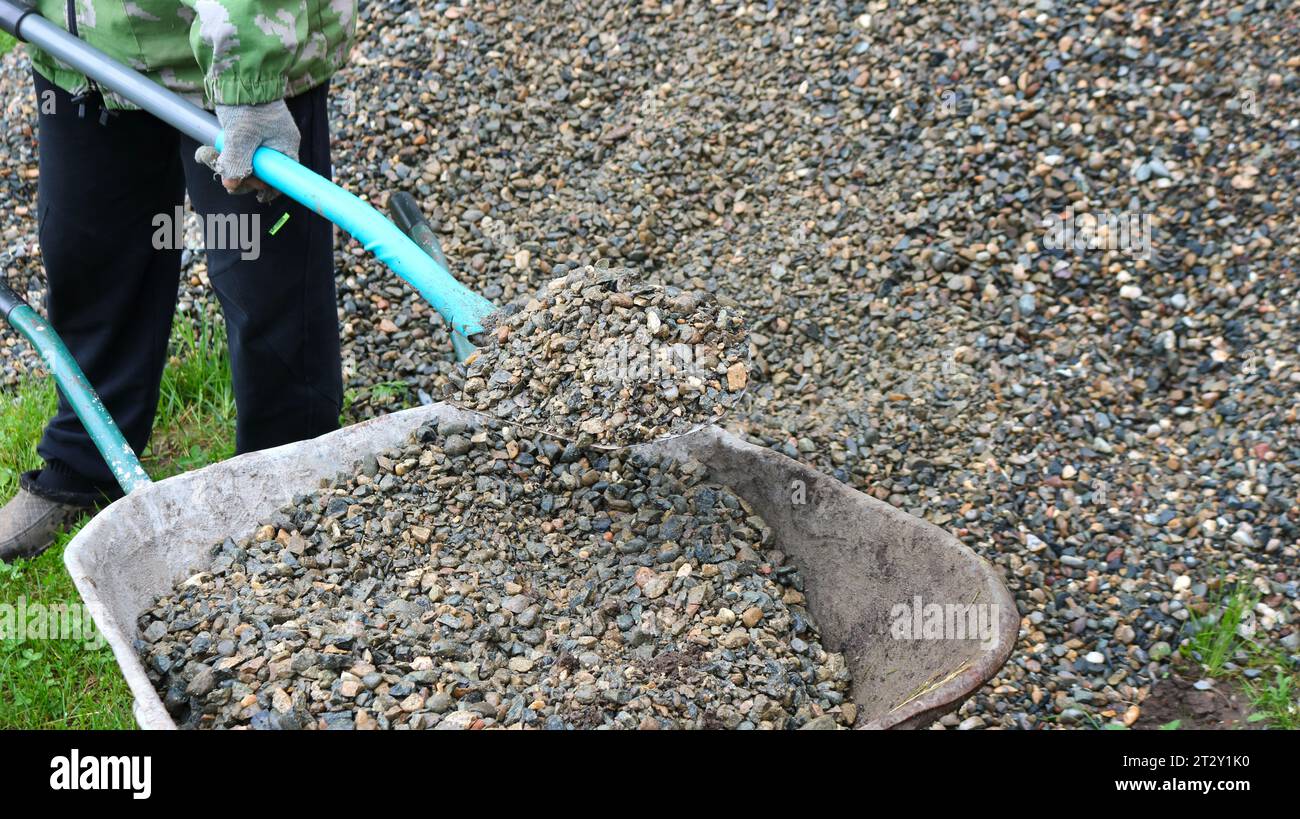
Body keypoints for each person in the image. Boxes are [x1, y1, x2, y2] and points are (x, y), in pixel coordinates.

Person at [0, 0, 358, 560]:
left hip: (233, 53)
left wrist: (251, 73)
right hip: (82, 48)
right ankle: (87, 460)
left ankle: (289, 487)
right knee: (89, 253)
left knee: (261, 279)